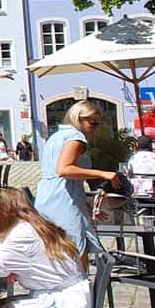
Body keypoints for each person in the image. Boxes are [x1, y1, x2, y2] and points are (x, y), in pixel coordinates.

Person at [36, 100, 121, 260]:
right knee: (76, 251)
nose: (95, 129)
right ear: (78, 119)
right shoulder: (76, 138)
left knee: (56, 251)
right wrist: (104, 174)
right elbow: (64, 169)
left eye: (98, 124)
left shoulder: (56, 136)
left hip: (47, 197)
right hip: (64, 199)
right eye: (92, 123)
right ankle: (80, 282)